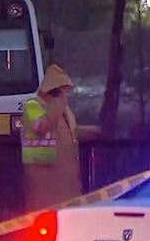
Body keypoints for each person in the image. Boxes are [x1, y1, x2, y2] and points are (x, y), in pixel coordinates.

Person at [20, 64, 101, 213]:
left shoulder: (64, 110)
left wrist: (95, 131)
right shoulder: (34, 105)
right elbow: (42, 126)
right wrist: (57, 104)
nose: (66, 94)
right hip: (43, 179)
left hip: (66, 181)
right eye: (63, 90)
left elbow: (70, 132)